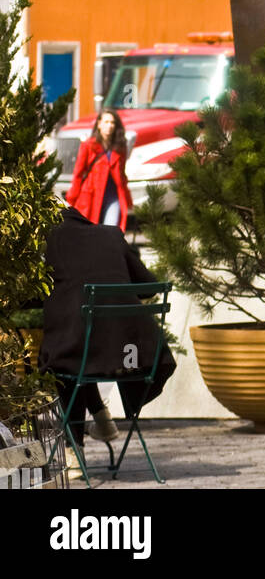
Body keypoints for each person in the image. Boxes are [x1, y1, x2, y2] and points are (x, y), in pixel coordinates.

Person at [39, 205, 176, 471]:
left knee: (65, 359)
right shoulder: (111, 234)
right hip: (131, 355)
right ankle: (101, 418)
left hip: (83, 351)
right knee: (81, 350)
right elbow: (147, 283)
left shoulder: (49, 239)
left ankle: (74, 451)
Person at [66, 110, 133, 232]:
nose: (110, 125)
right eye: (106, 122)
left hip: (113, 196)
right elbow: (78, 173)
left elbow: (122, 174)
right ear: (99, 124)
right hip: (91, 196)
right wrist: (72, 198)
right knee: (90, 233)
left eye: (112, 122)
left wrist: (127, 198)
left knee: (110, 231)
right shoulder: (88, 145)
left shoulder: (120, 147)